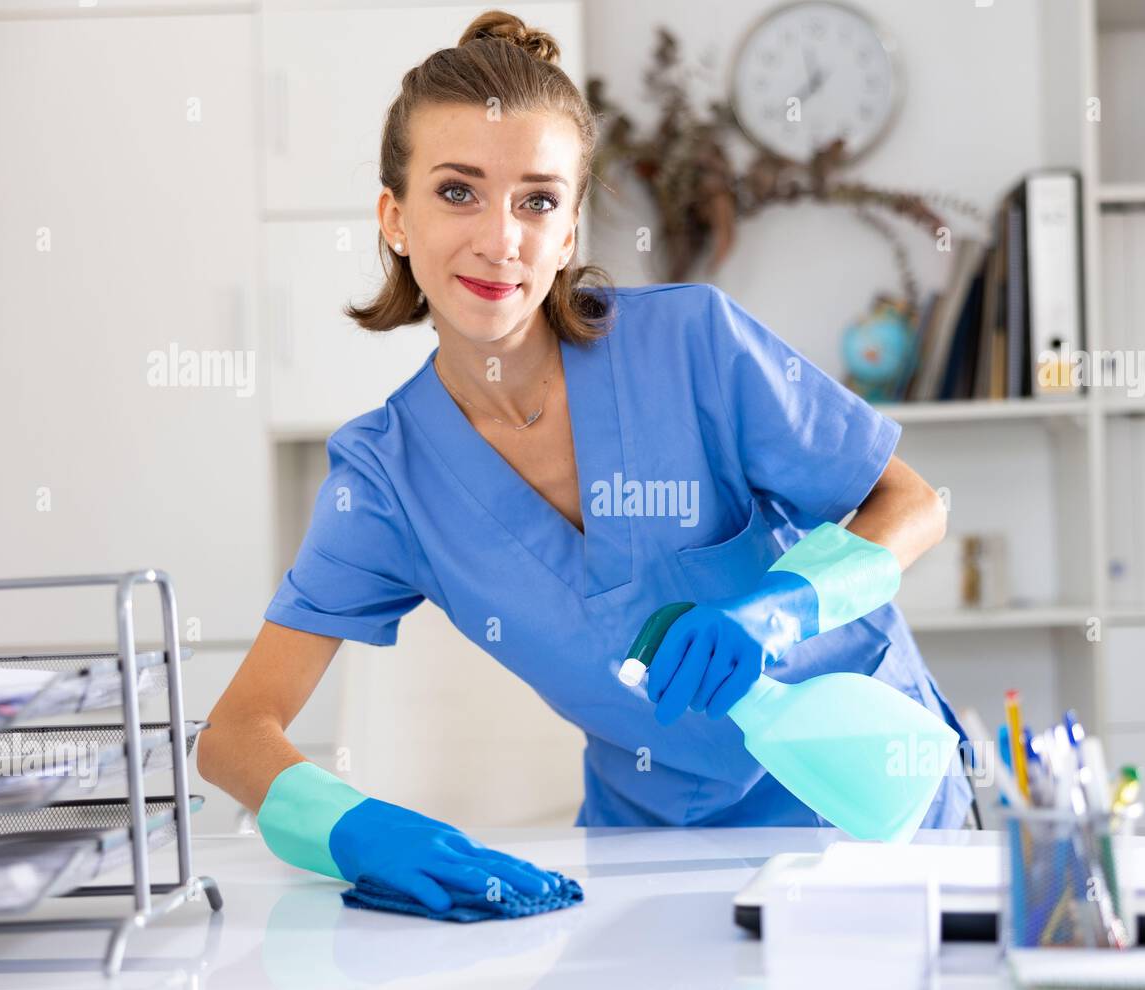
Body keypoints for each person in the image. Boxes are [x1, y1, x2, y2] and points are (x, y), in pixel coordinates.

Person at [198, 9, 976, 914]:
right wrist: (348, 825)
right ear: (394, 218)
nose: (501, 239)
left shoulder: (694, 346)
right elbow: (233, 732)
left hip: (870, 800)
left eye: (537, 200)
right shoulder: (386, 481)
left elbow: (911, 502)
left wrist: (776, 609)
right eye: (458, 192)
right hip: (655, 847)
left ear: (569, 232)